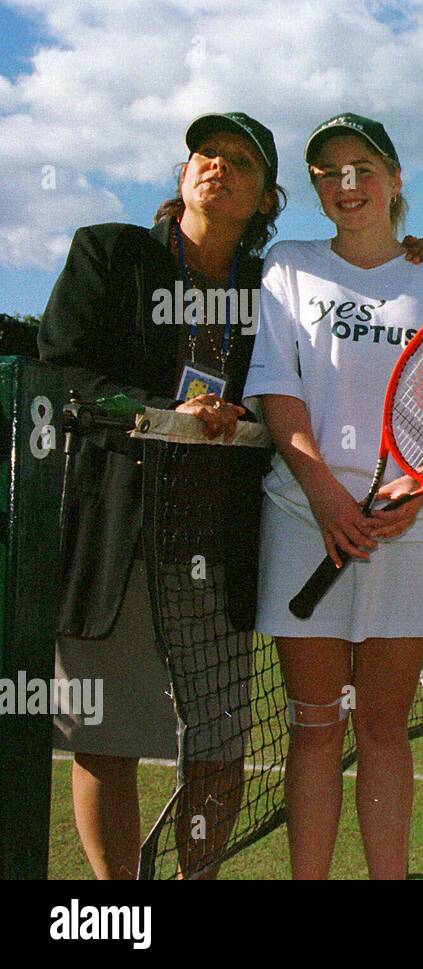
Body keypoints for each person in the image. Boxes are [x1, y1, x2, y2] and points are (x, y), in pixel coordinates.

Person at [39, 112, 281, 879]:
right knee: (104, 738)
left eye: (241, 160)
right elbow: (60, 373)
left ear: (266, 199)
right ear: (183, 175)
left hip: (217, 545)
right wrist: (156, 414)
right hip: (118, 538)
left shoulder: (272, 287)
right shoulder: (111, 254)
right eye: (205, 153)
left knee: (220, 743)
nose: (218, 166)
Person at [245, 112, 423, 879]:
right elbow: (279, 391)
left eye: (363, 167)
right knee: (313, 728)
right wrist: (323, 497)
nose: (348, 185)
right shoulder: (289, 264)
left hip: (405, 530)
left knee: (381, 730)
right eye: (329, 173)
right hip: (303, 517)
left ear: (396, 178)